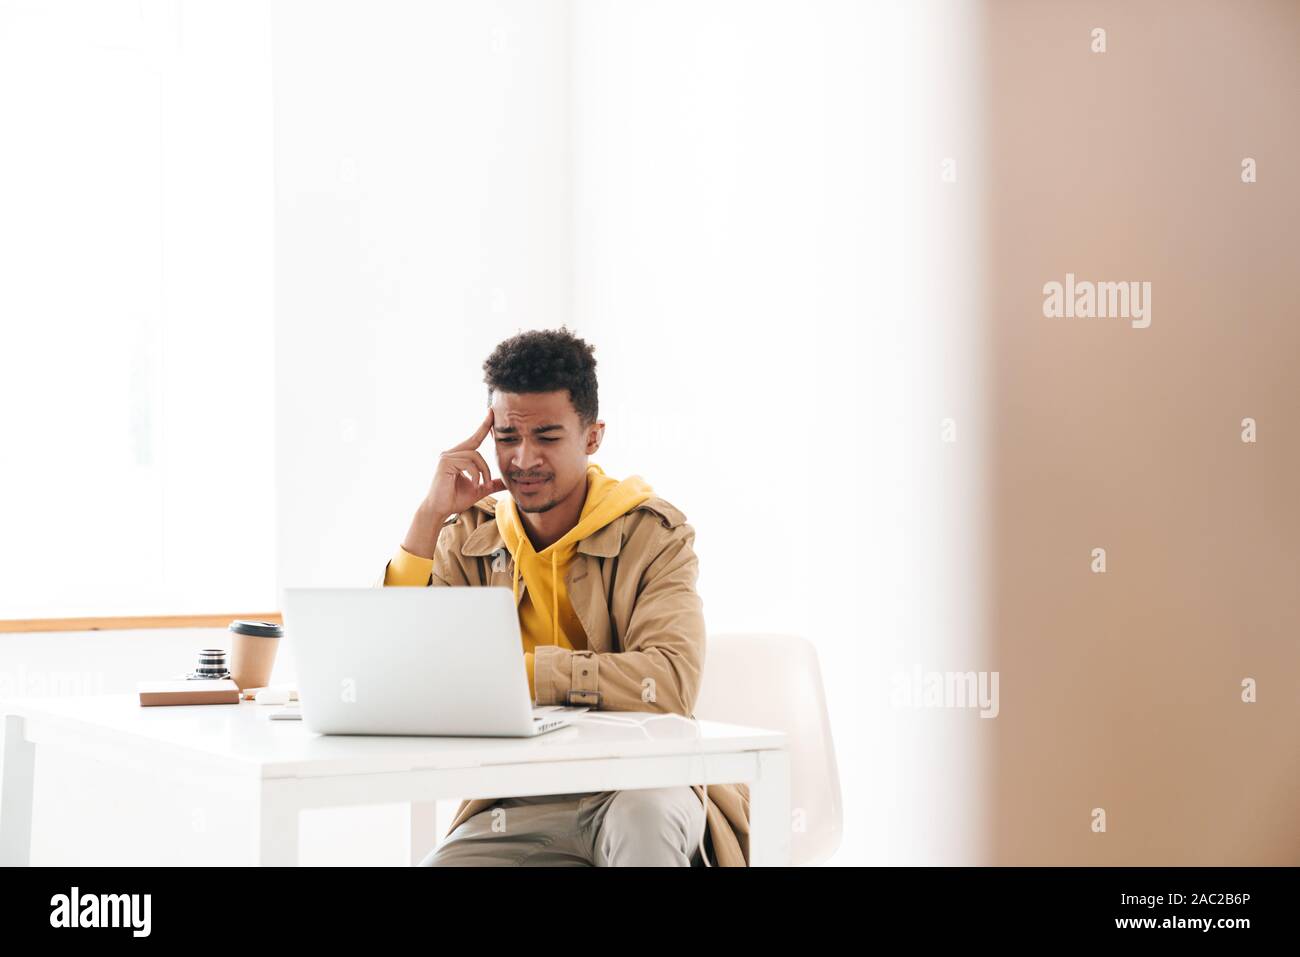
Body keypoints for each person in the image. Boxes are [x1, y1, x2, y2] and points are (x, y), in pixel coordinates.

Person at [380, 327, 749, 866]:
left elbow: (669, 682)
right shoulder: (467, 536)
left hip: (642, 783)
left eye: (547, 437)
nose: (523, 459)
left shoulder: (654, 535)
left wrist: (521, 674)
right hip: (517, 799)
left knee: (644, 825)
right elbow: (402, 666)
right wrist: (427, 517)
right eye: (507, 437)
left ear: (592, 436)